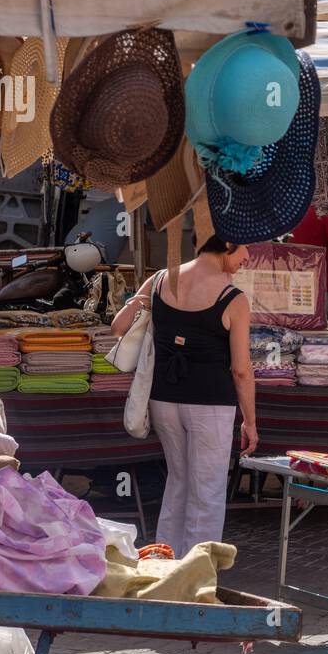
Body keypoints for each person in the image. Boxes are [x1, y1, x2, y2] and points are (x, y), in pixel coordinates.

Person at [110, 234, 259, 557]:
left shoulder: (162, 277)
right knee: (207, 491)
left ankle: (164, 562)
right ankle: (197, 572)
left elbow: (118, 327)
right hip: (210, 403)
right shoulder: (233, 298)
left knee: (178, 481)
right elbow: (241, 369)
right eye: (246, 247)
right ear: (228, 245)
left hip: (164, 399)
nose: (248, 256)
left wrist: (142, 301)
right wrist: (250, 420)